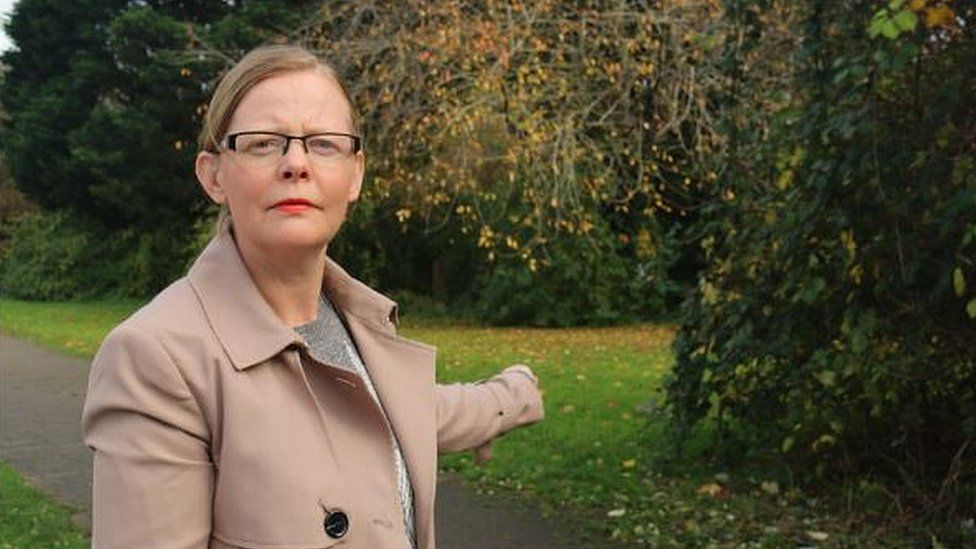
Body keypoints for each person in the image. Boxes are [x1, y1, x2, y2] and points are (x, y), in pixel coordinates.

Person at [82, 44, 544, 549]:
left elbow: (422, 414)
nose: (296, 163)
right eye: (263, 143)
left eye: (323, 144)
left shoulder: (358, 326)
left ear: (355, 174)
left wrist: (517, 392)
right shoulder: (156, 359)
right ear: (213, 175)